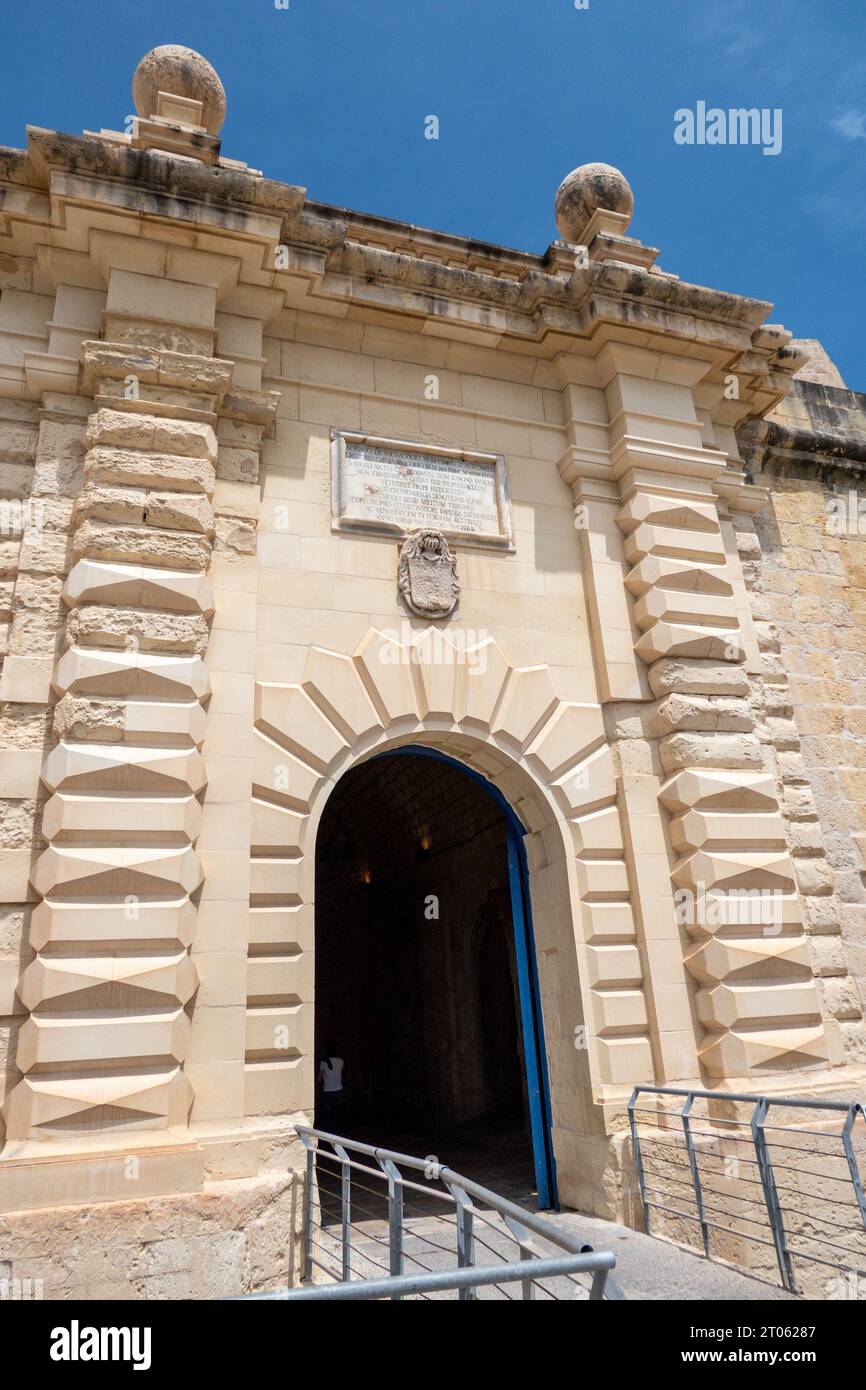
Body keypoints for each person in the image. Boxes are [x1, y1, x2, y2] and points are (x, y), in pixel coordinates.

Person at [317, 1040, 345, 1133]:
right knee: (337, 1113)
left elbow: (319, 1079)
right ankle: (338, 1133)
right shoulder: (341, 1061)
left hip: (328, 1091)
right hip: (339, 1089)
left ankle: (329, 1134)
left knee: (328, 1115)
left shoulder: (323, 1062)